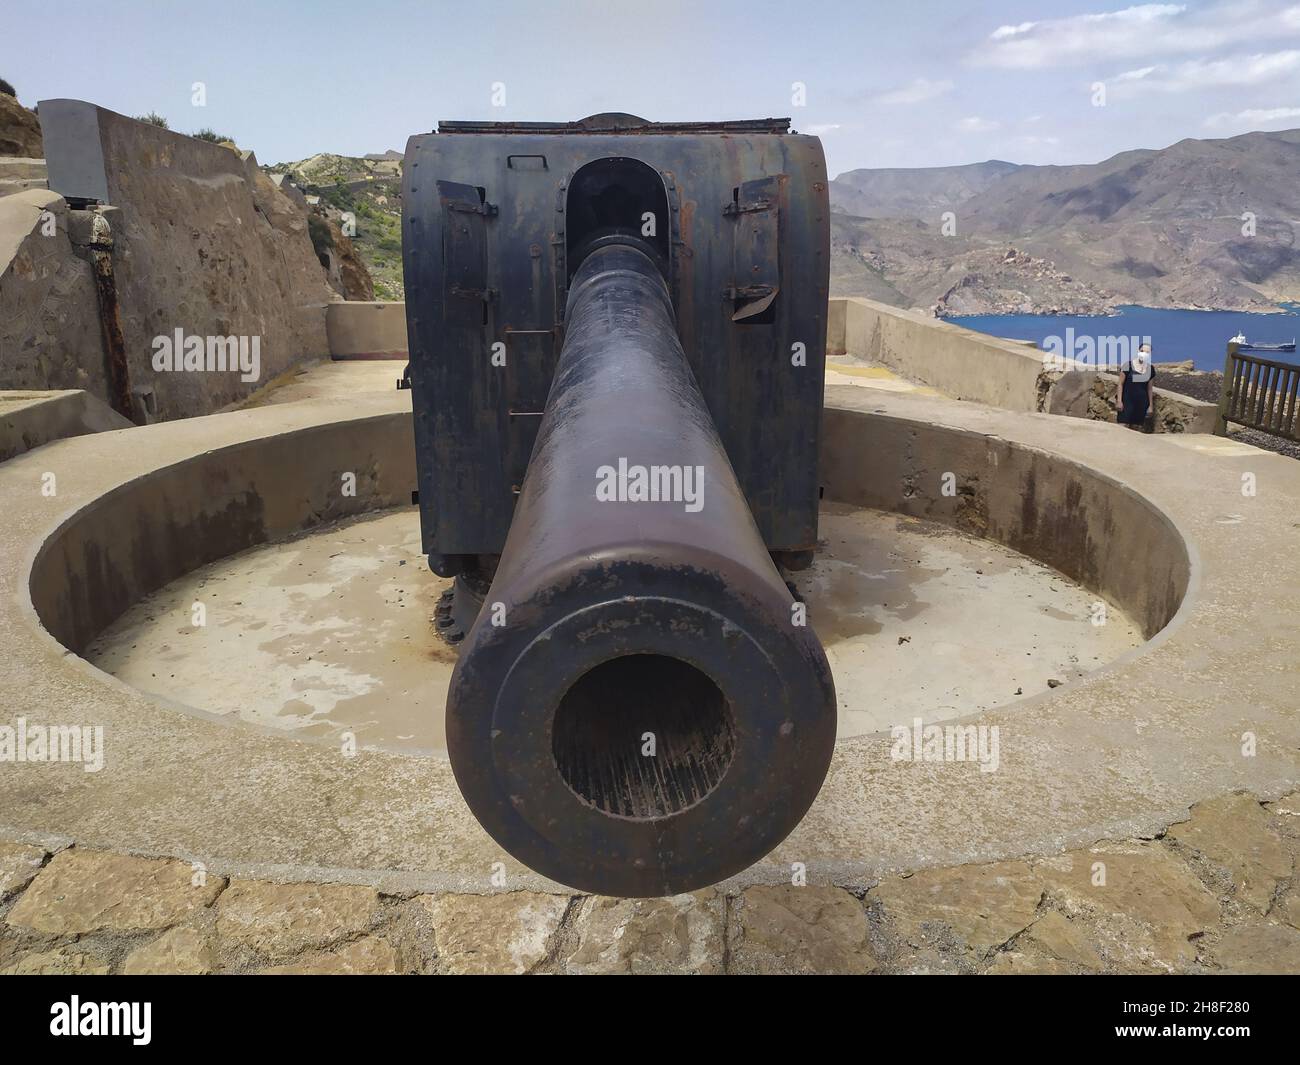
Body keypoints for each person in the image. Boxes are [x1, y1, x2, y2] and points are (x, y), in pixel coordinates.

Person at [1117, 342, 1155, 431]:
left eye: (1147, 352)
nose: (1144, 354)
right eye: (1142, 351)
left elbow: (1149, 389)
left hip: (1141, 403)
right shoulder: (1128, 365)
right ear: (1138, 351)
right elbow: (1120, 384)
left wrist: (1150, 406)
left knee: (1136, 432)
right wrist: (1119, 401)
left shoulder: (1150, 369)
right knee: (1122, 428)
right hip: (1126, 402)